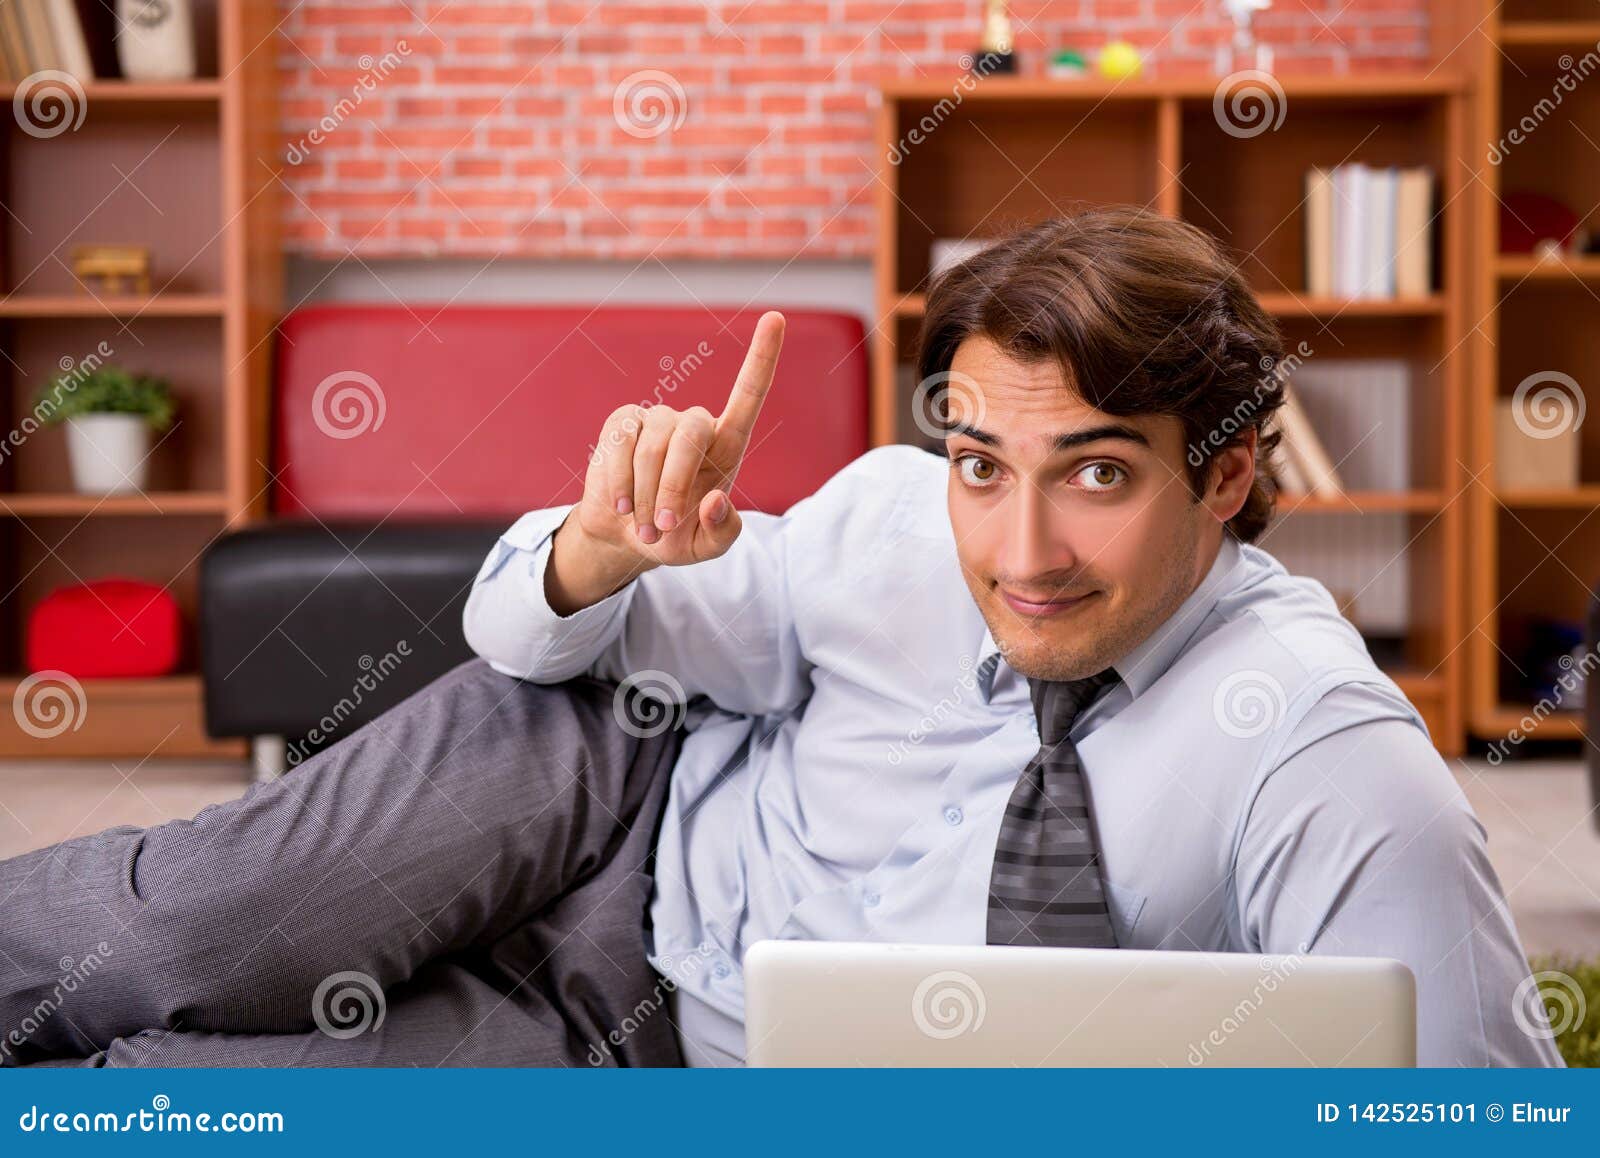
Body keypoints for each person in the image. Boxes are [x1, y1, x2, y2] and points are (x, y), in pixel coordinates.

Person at [0, 207, 1562, 1068]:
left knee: (179, 1106)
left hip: (653, 1050)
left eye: (1096, 474)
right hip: (608, 781)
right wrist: (601, 550)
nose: (1019, 551)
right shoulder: (887, 518)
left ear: (1223, 474)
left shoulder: (1328, 761)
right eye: (981, 464)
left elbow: (1478, 1116)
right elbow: (534, 637)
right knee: (186, 937)